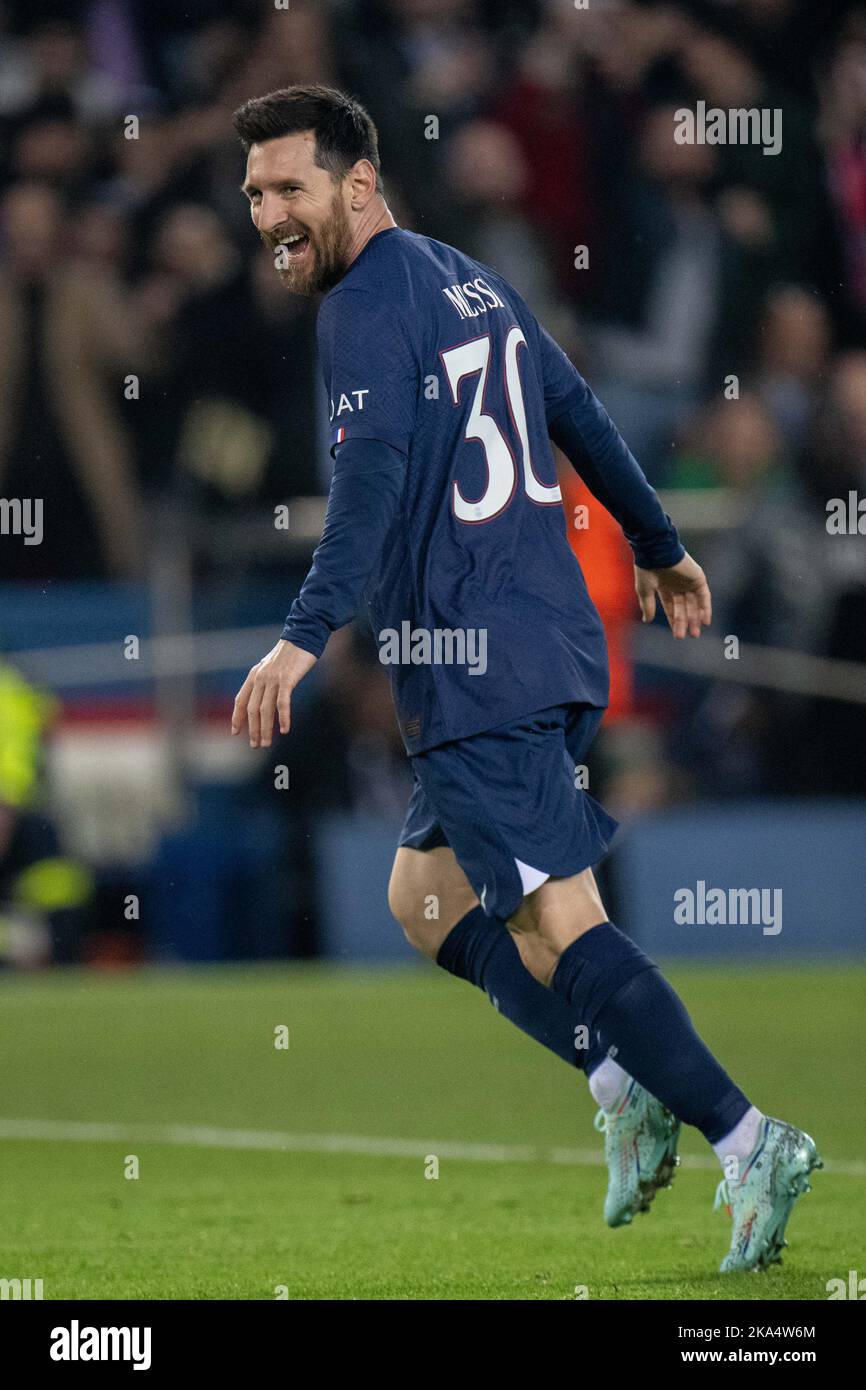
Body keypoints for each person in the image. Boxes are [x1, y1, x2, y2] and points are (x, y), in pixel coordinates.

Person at [229, 84, 820, 1272]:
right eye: (252, 194)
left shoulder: (363, 309)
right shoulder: (471, 279)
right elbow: (574, 411)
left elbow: (369, 488)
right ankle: (619, 1080)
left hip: (479, 657)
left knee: (560, 918)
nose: (268, 216)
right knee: (424, 899)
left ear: (358, 183)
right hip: (533, 644)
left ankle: (745, 1134)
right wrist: (656, 541)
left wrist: (301, 635)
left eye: (290, 188)